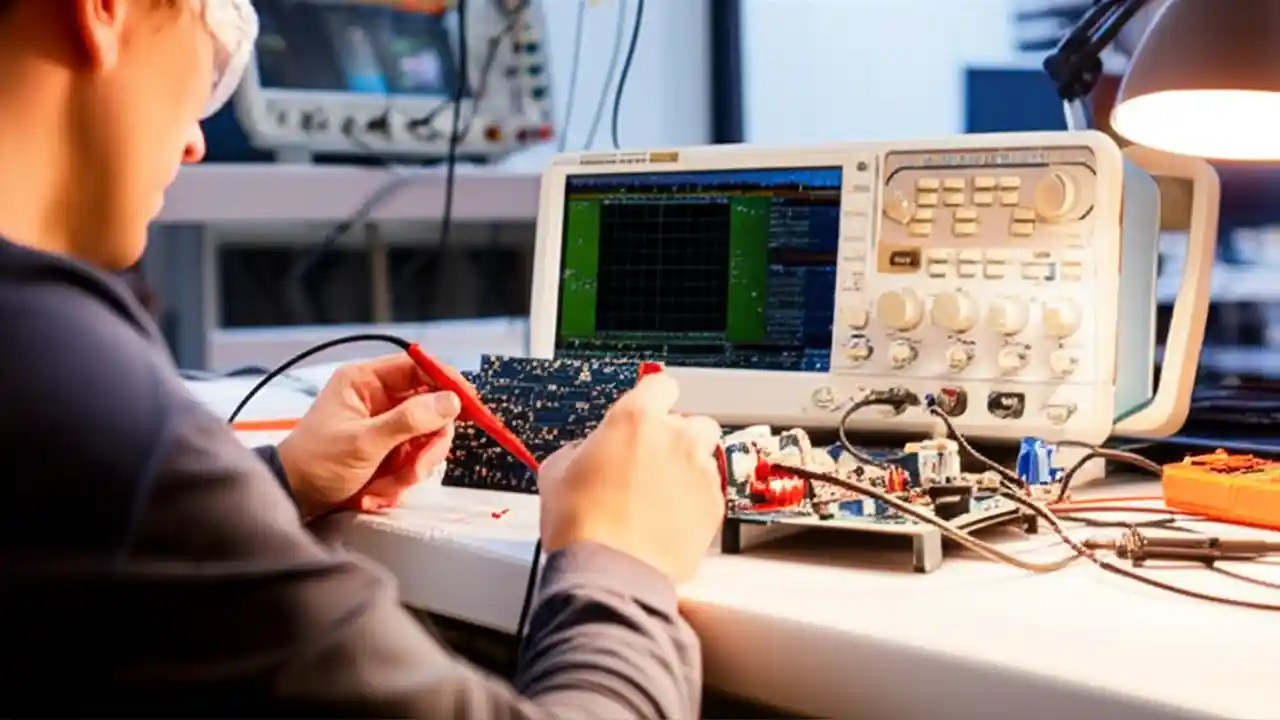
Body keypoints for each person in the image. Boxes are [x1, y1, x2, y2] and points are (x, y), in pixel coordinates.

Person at [0, 1, 726, 716]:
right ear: (104, 9)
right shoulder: (64, 378)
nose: (196, 142)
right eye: (209, 30)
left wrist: (283, 484)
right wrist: (622, 559)